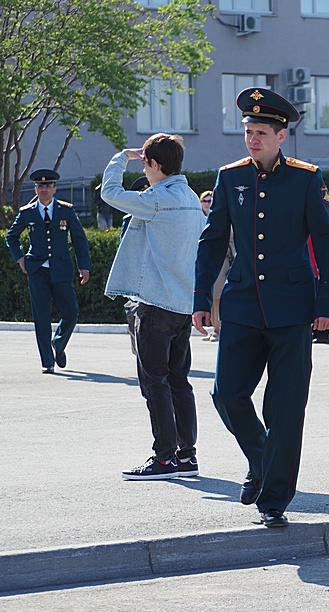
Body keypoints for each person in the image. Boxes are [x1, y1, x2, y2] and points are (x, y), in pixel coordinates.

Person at [193, 87, 329, 528]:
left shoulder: (306, 178)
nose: (253, 139)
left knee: (285, 407)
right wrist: (201, 298)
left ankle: (274, 500)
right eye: (248, 132)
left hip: (292, 308)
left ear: (281, 135)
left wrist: (328, 301)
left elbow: (328, 243)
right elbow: (212, 241)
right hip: (242, 304)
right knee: (226, 394)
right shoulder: (230, 177)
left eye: (261, 132)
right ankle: (262, 461)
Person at [102, 133, 205, 480]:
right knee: (179, 381)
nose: (144, 171)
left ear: (155, 165)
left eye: (146, 165)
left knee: (154, 382)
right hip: (183, 304)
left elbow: (110, 193)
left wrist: (122, 156)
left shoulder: (157, 198)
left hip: (157, 303)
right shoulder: (190, 198)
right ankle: (186, 456)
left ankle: (163, 458)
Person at [5, 169, 91, 373]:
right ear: (35, 189)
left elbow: (79, 240)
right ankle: (47, 361)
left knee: (71, 313)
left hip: (61, 269)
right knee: (41, 317)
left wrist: (84, 266)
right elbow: (11, 237)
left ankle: (58, 343)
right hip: (37, 271)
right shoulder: (27, 212)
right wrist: (20, 258)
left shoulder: (66, 210)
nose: (44, 189)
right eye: (40, 186)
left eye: (48, 186)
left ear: (54, 189)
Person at [121, 175, 151, 355]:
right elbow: (125, 250)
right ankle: (139, 352)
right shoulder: (129, 219)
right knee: (136, 315)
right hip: (139, 276)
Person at [202, 190, 234, 343]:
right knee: (212, 296)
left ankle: (217, 329)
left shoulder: (224, 216)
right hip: (206, 260)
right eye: (205, 201)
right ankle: (214, 328)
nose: (208, 204)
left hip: (222, 260)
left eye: (211, 200)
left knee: (218, 297)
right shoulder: (199, 217)